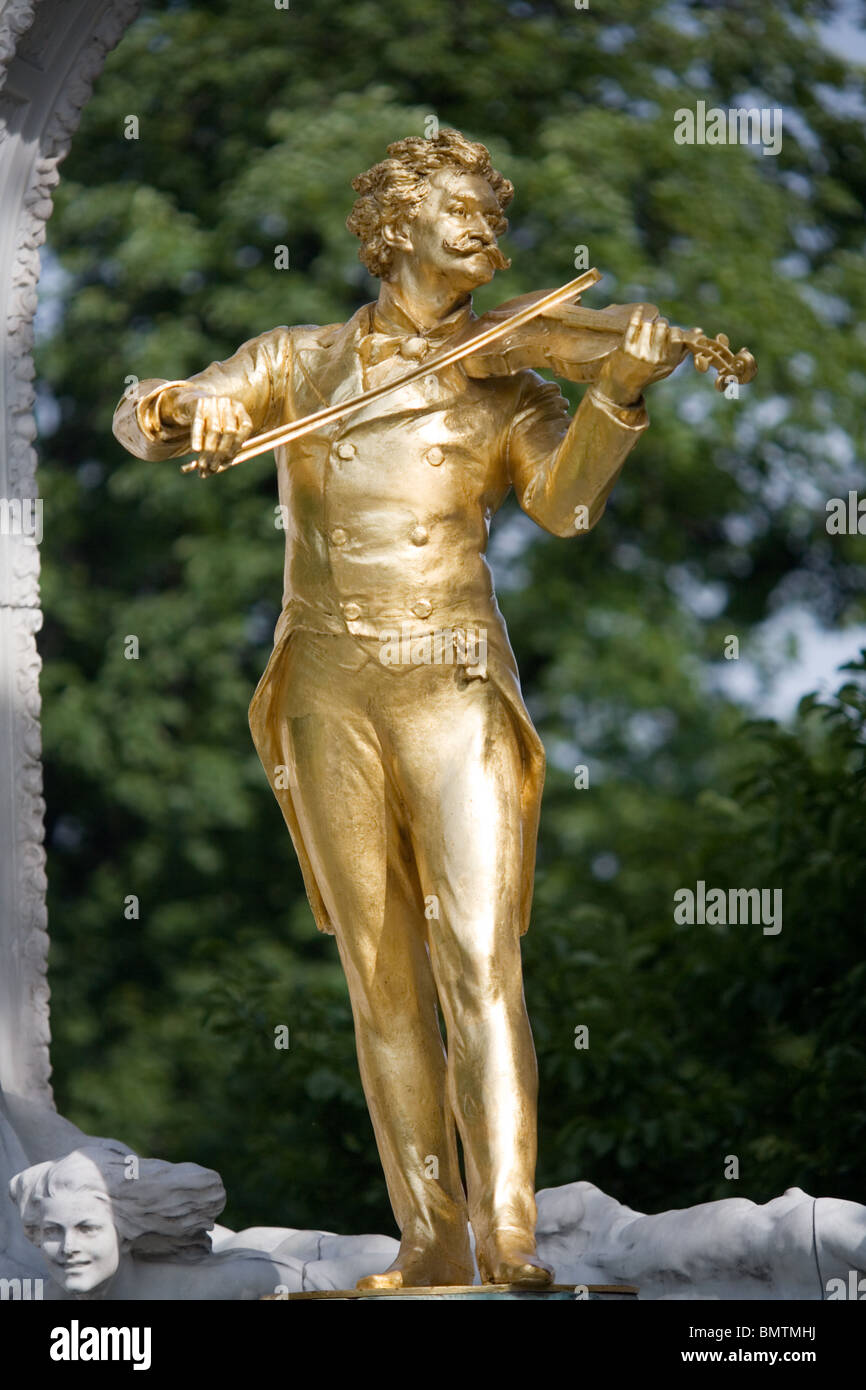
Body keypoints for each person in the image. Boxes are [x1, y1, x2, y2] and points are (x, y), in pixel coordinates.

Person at [112, 128, 684, 1289]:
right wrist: (182, 407)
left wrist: (614, 393)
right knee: (379, 974)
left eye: (490, 210)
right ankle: (429, 1240)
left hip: (452, 674)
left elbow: (564, 511)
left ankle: (507, 1237)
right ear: (393, 227)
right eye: (459, 207)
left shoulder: (506, 374)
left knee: (477, 956)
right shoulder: (298, 359)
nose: (486, 228)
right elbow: (149, 417)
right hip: (326, 682)